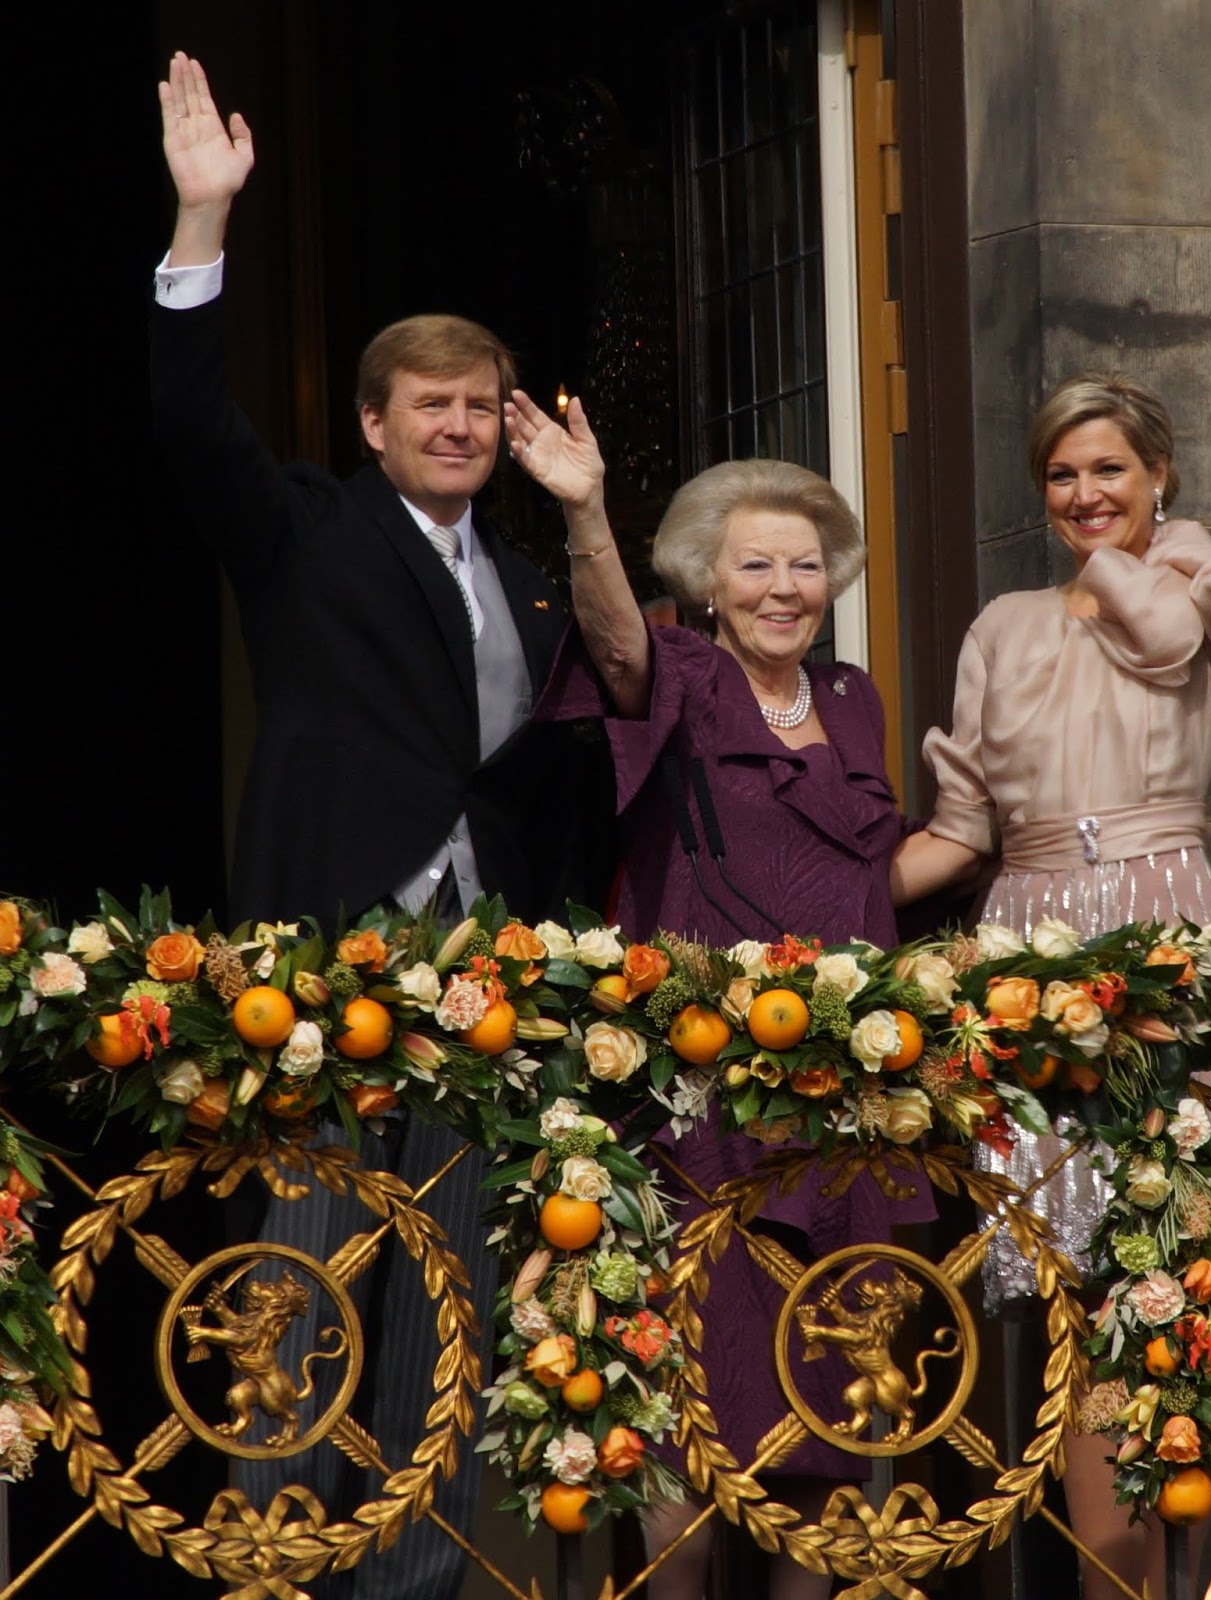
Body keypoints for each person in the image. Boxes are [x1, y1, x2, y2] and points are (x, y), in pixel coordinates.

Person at [152, 53, 612, 1600]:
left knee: (451, 1282)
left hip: (484, 973)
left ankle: (410, 1579)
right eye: (433, 406)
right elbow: (186, 419)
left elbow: (594, 711)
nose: (463, 428)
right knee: (303, 1268)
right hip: (324, 951)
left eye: (482, 407)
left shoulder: (533, 576)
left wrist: (593, 513)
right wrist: (199, 221)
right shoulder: (301, 532)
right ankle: (281, 1557)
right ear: (370, 421)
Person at [916, 259, 1211, 1600]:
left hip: (1161, 936)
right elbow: (956, 831)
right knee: (1052, 1298)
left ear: (1155, 475)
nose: (1082, 496)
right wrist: (790, 911)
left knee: (1156, 1279)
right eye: (1060, 476)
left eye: (1106, 470)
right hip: (1021, 950)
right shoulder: (998, 627)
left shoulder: (1190, 589)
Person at [507, 389, 951, 1599]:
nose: (783, 586)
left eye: (805, 564)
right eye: (755, 563)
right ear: (709, 577)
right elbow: (610, 644)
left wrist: (982, 819)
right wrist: (586, 510)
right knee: (688, 1397)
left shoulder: (853, 698)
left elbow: (870, 868)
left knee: (828, 1394)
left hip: (839, 1099)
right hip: (700, 1102)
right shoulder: (684, 672)